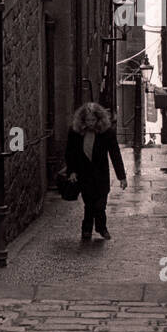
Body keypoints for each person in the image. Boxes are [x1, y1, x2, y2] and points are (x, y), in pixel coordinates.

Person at [64, 102, 127, 241]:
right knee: (89, 204)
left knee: (100, 204)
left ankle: (101, 227)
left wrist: (121, 177)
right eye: (88, 120)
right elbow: (70, 153)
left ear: (99, 119)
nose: (90, 123)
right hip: (84, 174)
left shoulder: (107, 133)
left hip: (101, 174)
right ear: (83, 120)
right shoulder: (75, 132)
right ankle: (87, 229)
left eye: (93, 120)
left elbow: (115, 154)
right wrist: (72, 172)